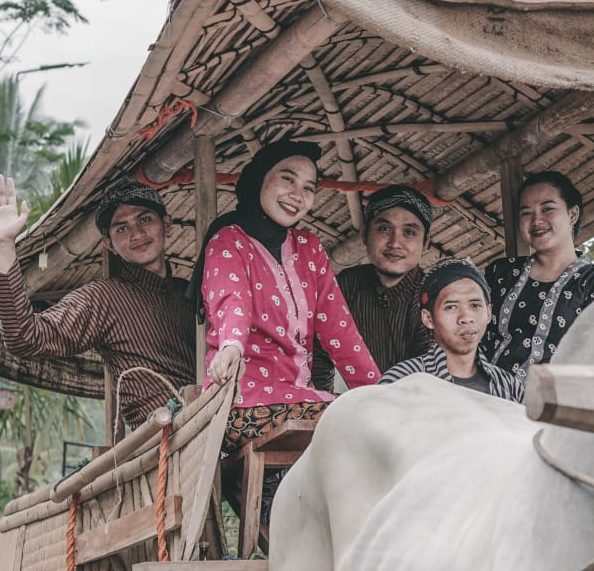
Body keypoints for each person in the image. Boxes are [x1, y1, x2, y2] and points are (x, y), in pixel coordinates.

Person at [193, 140, 381, 459]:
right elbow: (232, 300)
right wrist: (231, 346)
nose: (298, 194)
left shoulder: (310, 248)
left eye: (308, 188)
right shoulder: (228, 240)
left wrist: (379, 394)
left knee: (374, 416)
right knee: (347, 418)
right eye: (288, 179)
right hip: (240, 403)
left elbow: (341, 333)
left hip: (300, 398)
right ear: (259, 178)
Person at [0, 176, 201, 434]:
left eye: (144, 220)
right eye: (122, 228)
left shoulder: (192, 293)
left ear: (166, 224)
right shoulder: (103, 298)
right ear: (109, 244)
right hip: (164, 439)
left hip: (213, 418)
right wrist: (4, 246)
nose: (137, 234)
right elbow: (23, 337)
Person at [484, 171, 594, 379]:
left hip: (553, 396)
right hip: (479, 392)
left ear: (572, 215)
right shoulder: (501, 272)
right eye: (526, 213)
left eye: (547, 209)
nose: (536, 220)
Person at [312, 185, 434, 391]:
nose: (395, 243)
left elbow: (428, 376)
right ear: (364, 235)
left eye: (409, 232)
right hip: (358, 404)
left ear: (425, 243)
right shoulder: (348, 284)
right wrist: (322, 400)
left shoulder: (432, 297)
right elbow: (319, 350)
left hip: (416, 405)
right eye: (384, 229)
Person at [380, 258, 524, 402]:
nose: (466, 318)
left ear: (488, 313)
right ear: (428, 318)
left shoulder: (509, 386)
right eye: (451, 307)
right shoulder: (401, 380)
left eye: (475, 305)